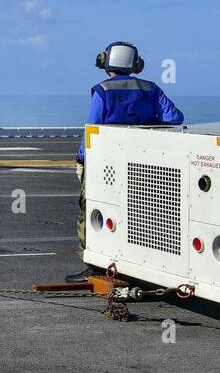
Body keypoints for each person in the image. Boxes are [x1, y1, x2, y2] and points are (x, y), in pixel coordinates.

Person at [72, 41, 184, 278]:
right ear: (136, 64)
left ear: (104, 62)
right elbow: (174, 117)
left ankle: (91, 263)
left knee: (91, 208)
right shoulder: (151, 89)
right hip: (142, 164)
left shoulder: (102, 90)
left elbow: (92, 128)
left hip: (106, 162)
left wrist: (82, 159)